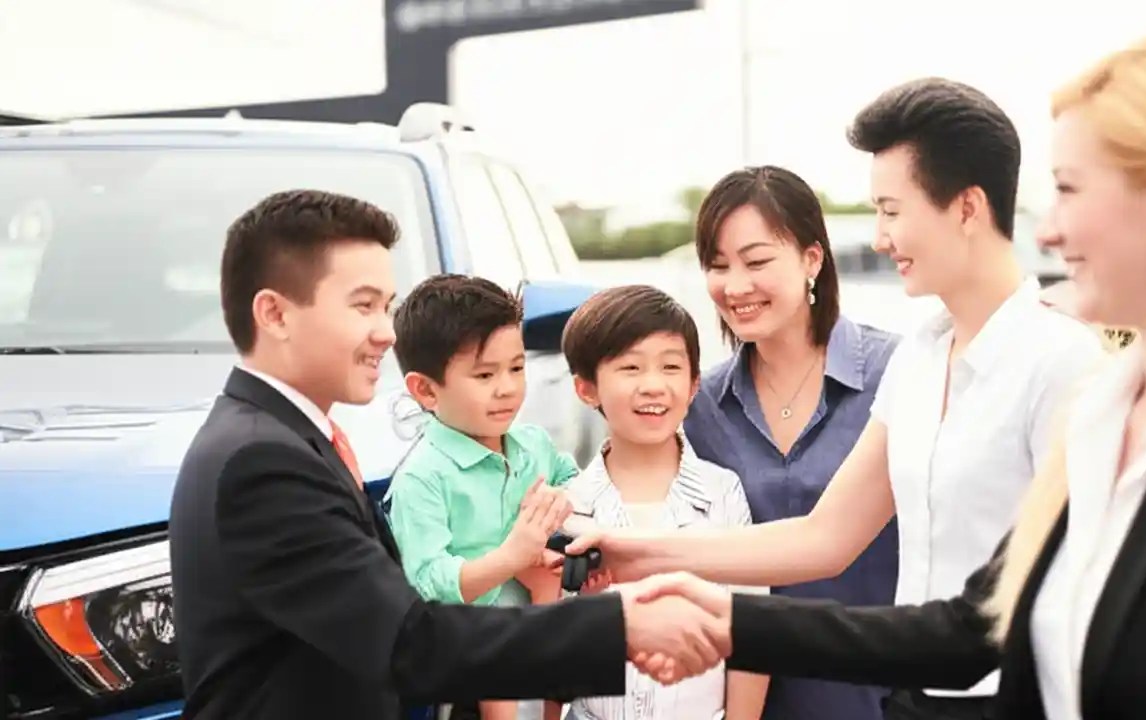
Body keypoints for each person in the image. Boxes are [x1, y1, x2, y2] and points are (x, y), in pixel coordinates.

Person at [623, 27, 1146, 720]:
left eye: (1069, 190)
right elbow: (967, 624)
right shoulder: (1099, 410)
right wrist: (676, 578)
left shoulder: (1094, 380)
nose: (1047, 232)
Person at [576, 83, 1108, 719]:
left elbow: (1092, 586)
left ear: (966, 207)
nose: (880, 238)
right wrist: (636, 549)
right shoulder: (918, 360)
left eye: (891, 210)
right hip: (913, 699)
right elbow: (824, 537)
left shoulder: (1062, 362)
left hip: (1017, 698)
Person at [167, 189, 728, 720]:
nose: (386, 333)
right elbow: (410, 641)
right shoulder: (262, 462)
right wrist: (620, 626)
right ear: (275, 314)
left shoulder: (278, 438)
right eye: (362, 307)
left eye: (386, 307)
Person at [679, 165, 901, 720]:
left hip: (883, 696)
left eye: (756, 261)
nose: (735, 286)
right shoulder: (699, 406)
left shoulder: (898, 373)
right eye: (717, 265)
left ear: (812, 260)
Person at [558, 284, 771, 720]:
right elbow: (549, 648)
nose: (653, 386)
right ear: (586, 388)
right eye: (630, 368)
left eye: (670, 367)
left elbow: (751, 630)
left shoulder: (722, 494)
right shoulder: (569, 506)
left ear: (694, 384)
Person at [383, 274, 581, 720]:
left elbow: (576, 487)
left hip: (542, 648)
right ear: (426, 390)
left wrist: (558, 514)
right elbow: (429, 584)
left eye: (516, 367)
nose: (507, 387)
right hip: (469, 679)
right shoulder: (423, 478)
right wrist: (513, 555)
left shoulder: (532, 444)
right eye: (485, 374)